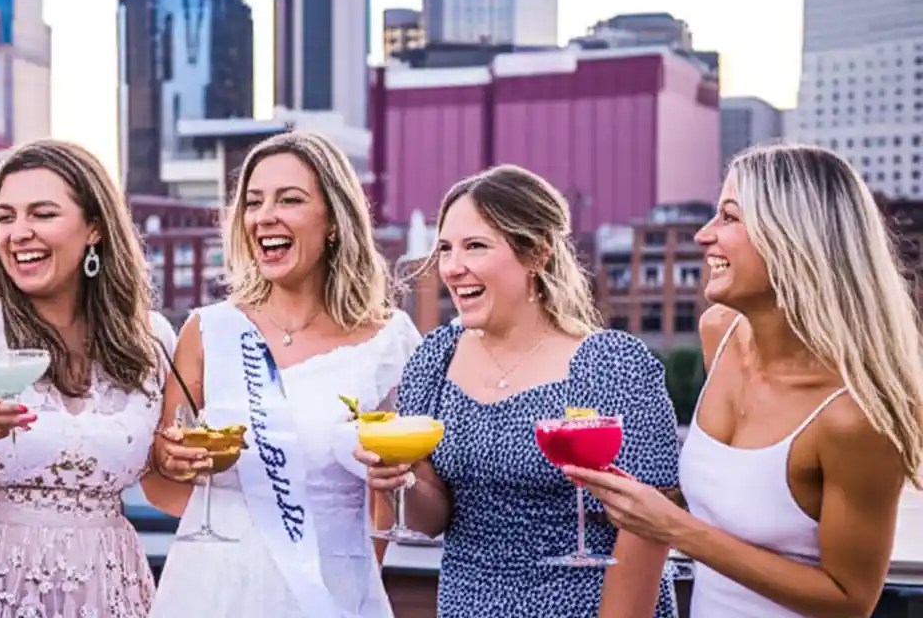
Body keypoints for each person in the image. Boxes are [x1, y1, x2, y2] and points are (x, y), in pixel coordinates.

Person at [568, 144, 923, 617]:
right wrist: (641, 497)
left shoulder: (853, 416)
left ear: (793, 238)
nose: (702, 235)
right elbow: (734, 495)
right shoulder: (720, 332)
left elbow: (850, 599)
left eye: (729, 218)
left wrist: (674, 528)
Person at [359, 165, 681, 617]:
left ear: (536, 254)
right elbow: (430, 520)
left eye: (475, 247)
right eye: (445, 248)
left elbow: (648, 529)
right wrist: (400, 480)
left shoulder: (613, 363)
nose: (453, 268)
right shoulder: (434, 358)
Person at [0, 140, 176, 616]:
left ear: (95, 229)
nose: (18, 233)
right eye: (5, 217)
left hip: (105, 590)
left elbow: (164, 484)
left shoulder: (150, 339)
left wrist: (171, 458)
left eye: (41, 214)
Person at [146, 132, 421, 618]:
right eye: (253, 202)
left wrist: (353, 577)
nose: (264, 216)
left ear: (333, 220)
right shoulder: (208, 332)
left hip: (328, 590)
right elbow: (160, 487)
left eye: (289, 199)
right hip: (210, 588)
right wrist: (170, 460)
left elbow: (397, 502)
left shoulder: (390, 342)